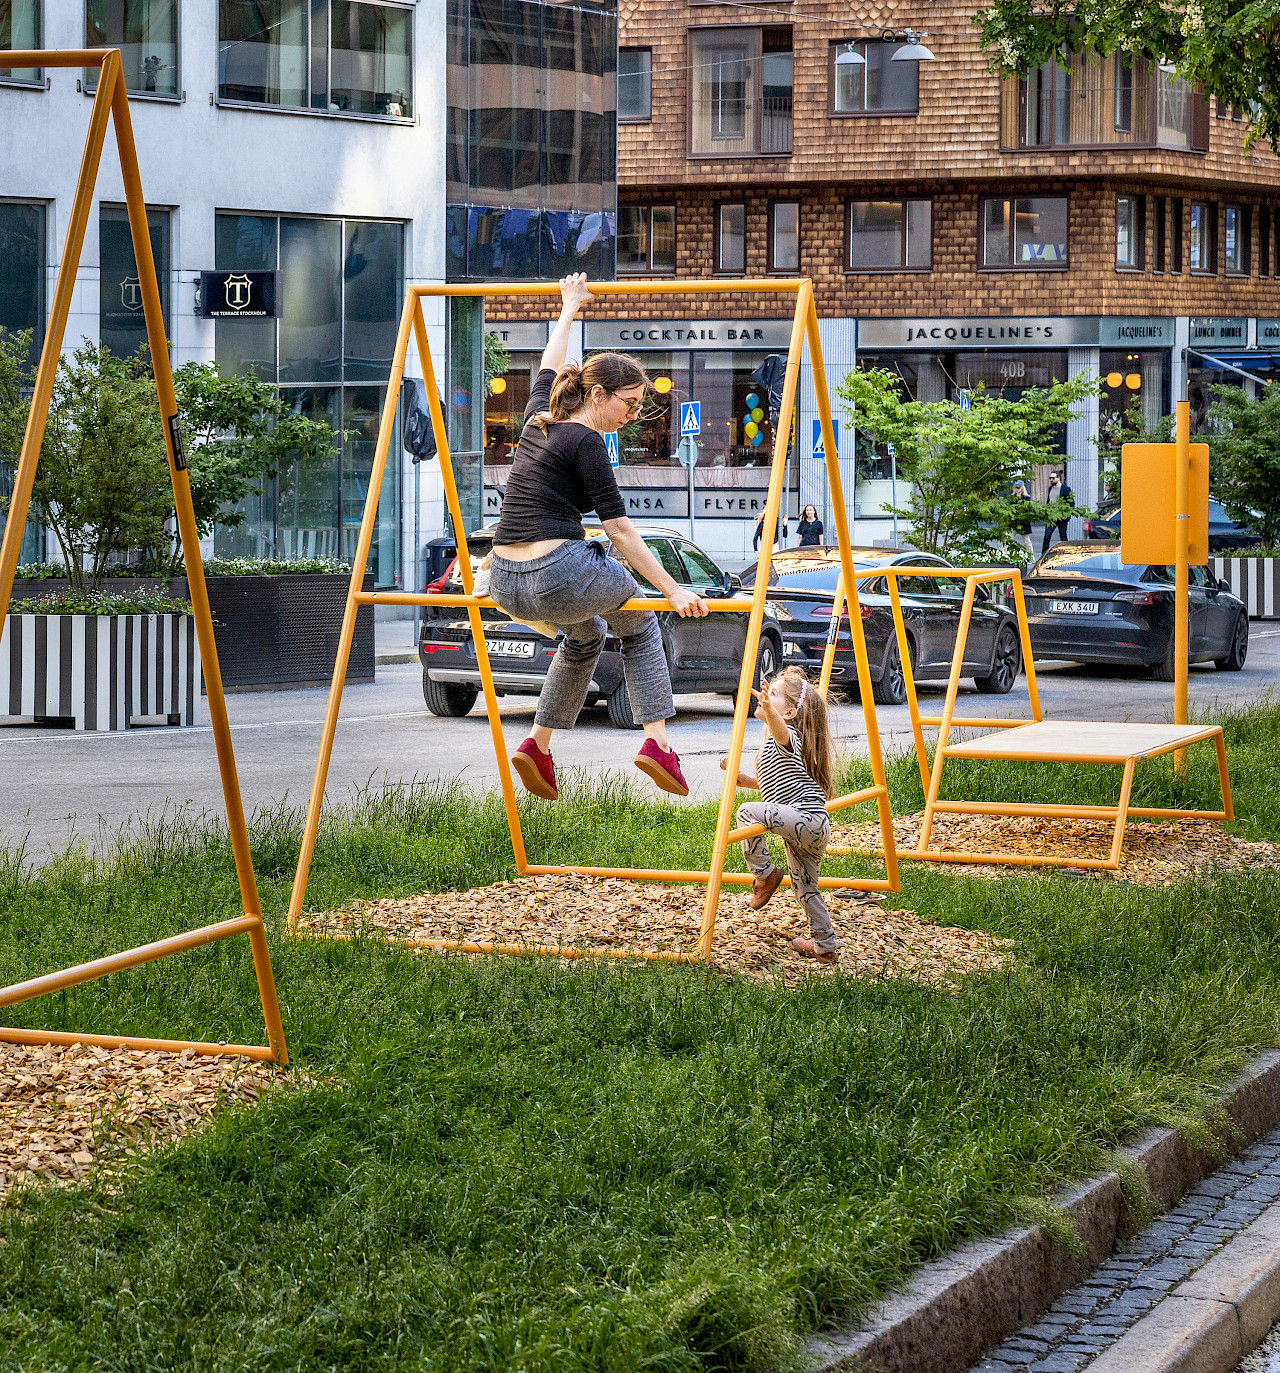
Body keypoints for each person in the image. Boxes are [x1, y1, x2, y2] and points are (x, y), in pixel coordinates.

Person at [488, 274, 709, 804]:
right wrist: (673, 589)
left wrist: (568, 308)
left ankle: (538, 744)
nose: (633, 416)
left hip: (503, 579)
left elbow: (548, 359)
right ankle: (657, 744)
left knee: (585, 637)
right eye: (629, 404)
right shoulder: (587, 443)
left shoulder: (536, 419)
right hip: (555, 572)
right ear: (597, 394)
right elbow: (620, 531)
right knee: (641, 618)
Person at [720, 666, 839, 963]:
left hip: (805, 820)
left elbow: (780, 730)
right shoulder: (775, 749)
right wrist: (746, 781)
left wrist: (770, 712)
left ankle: (765, 875)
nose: (764, 697)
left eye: (772, 694)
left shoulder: (786, 739)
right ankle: (825, 946)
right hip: (809, 827)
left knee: (746, 813)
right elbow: (773, 783)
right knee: (805, 889)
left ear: (788, 714)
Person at [1040, 471, 1074, 556]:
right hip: (1051, 517)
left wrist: (1066, 516)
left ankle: (1066, 554)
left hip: (1061, 517)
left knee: (1063, 537)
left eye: (1053, 478)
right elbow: (1049, 501)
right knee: (1046, 537)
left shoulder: (1066, 489)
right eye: (1050, 478)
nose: (1051, 480)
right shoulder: (1050, 489)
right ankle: (1043, 556)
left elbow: (1071, 503)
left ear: (1058, 478)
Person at [1011, 482, 1034, 561]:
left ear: (1022, 488)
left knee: (1027, 541)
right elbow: (1011, 508)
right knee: (1008, 539)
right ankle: (1003, 554)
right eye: (1016, 488)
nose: (1017, 489)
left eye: (1018, 488)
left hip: (1024, 522)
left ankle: (1031, 557)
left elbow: (1028, 509)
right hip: (1014, 522)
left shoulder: (1026, 498)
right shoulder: (1012, 498)